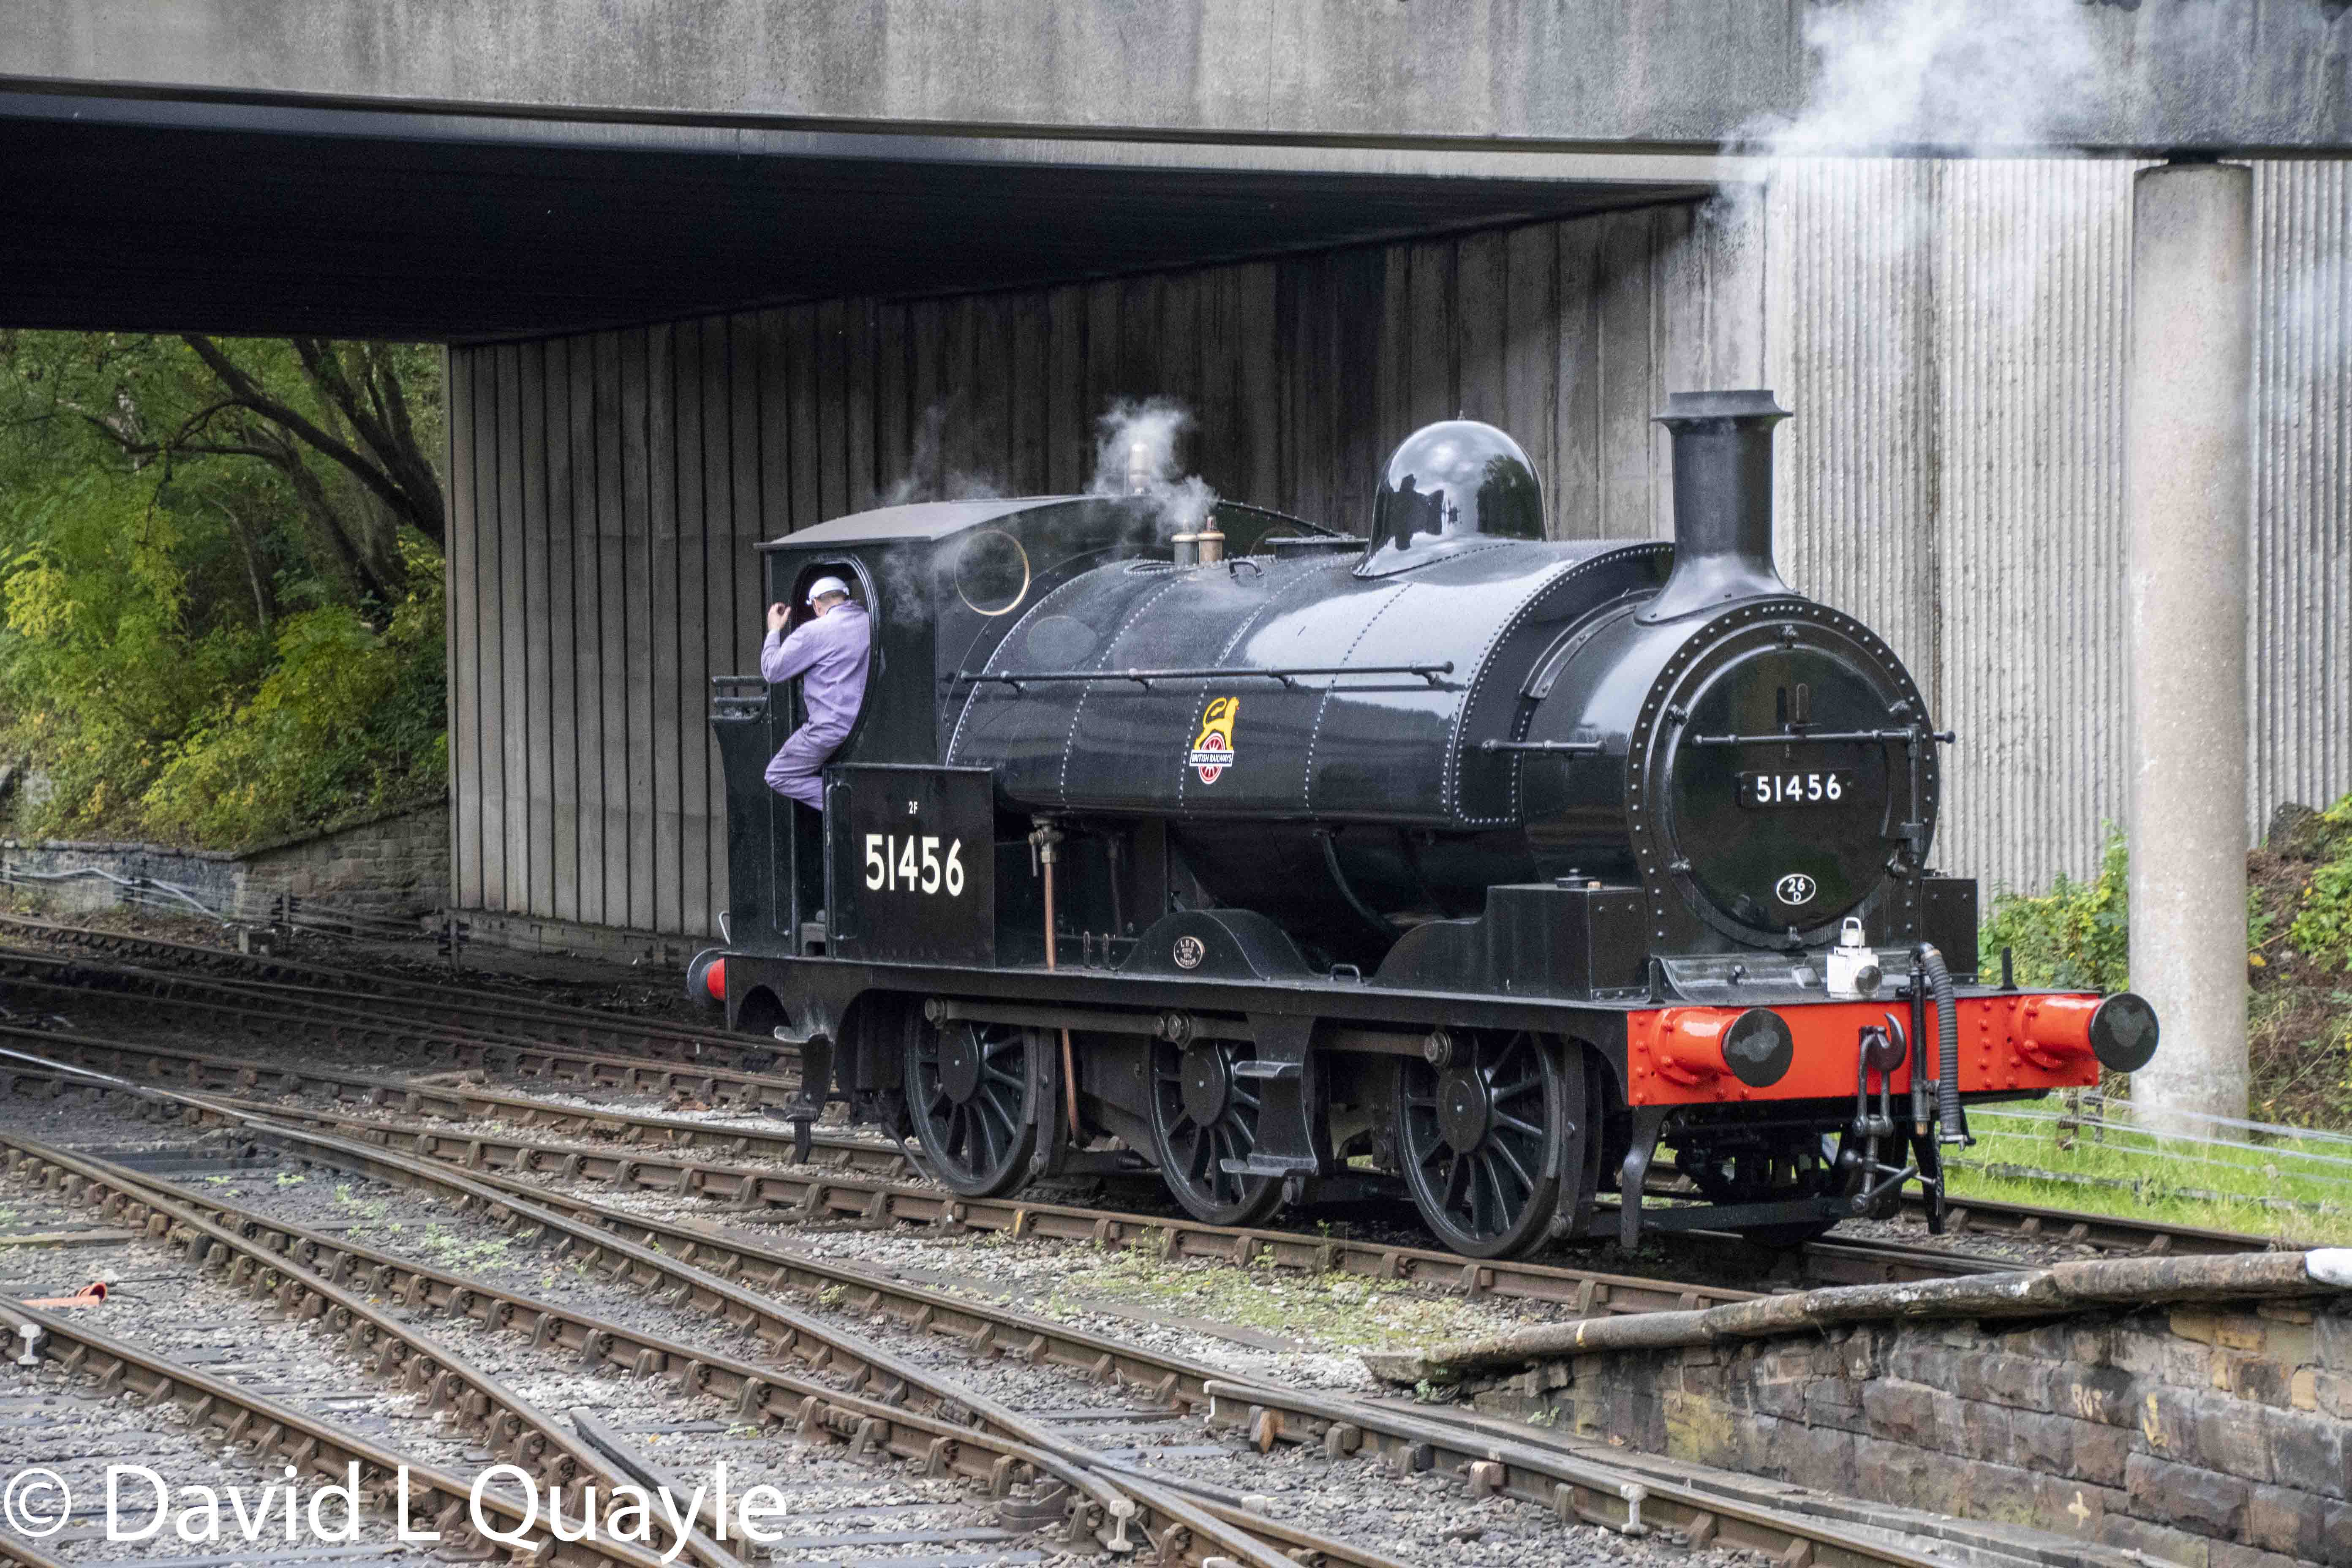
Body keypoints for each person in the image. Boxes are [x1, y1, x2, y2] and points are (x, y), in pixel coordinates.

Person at [761, 575, 871, 808]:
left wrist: (774, 631)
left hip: (830, 729)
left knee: (778, 775)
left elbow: (772, 670)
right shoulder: (871, 625)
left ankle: (848, 804)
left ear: (818, 605)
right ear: (845, 598)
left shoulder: (813, 632)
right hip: (867, 727)